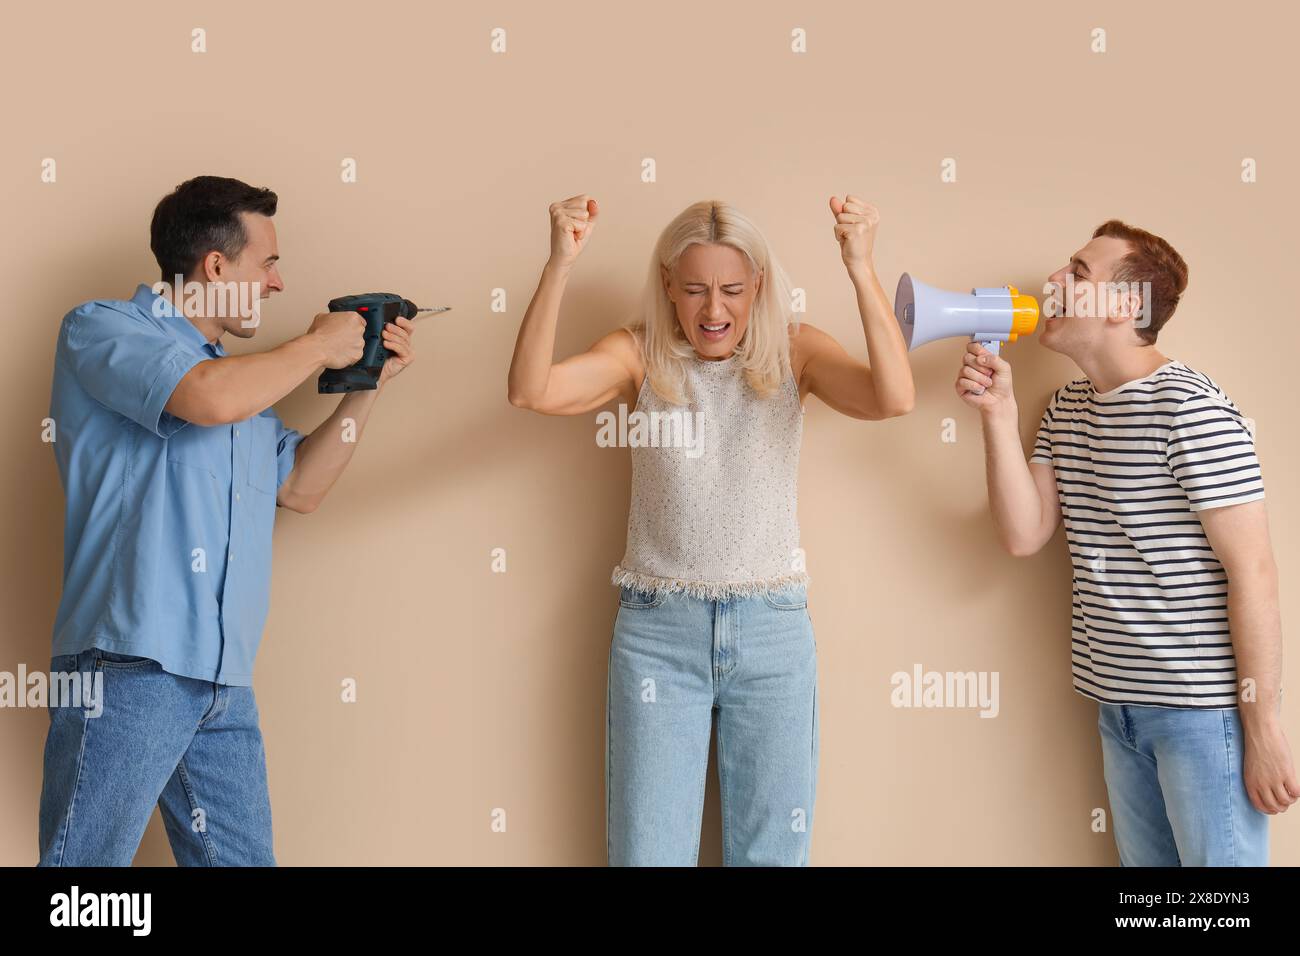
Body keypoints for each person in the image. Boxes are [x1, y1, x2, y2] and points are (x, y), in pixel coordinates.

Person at [508, 193, 915, 865]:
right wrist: (558, 263)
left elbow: (894, 397)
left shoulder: (796, 350)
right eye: (694, 289)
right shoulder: (637, 353)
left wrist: (861, 267)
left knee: (770, 856)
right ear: (667, 285)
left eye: (731, 289)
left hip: (773, 632)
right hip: (658, 634)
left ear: (759, 285)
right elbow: (531, 390)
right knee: (649, 854)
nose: (714, 310)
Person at [39, 175, 419, 866]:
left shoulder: (245, 392)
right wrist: (314, 349)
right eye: (267, 263)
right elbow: (201, 398)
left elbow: (303, 487)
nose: (277, 284)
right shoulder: (102, 328)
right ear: (217, 266)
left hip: (221, 683)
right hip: (129, 665)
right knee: (82, 881)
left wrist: (366, 389)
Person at [955, 219, 1298, 865]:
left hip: (1202, 715)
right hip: (1117, 708)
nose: (1054, 281)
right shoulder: (1067, 409)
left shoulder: (1189, 408)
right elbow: (1024, 535)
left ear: (1126, 305)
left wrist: (1264, 727)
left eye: (1079, 273)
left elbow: (1253, 570)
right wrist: (999, 414)